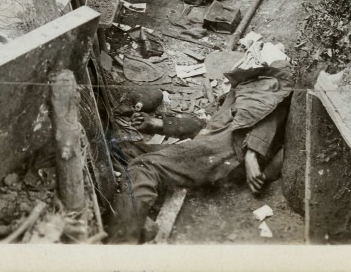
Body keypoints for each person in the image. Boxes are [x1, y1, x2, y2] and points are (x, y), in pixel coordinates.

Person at [108, 55, 292, 244]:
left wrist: (253, 152)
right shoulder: (245, 90)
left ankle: (120, 244)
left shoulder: (272, 83)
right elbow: (207, 123)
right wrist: (158, 125)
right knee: (123, 149)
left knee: (144, 167)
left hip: (226, 147)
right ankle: (138, 215)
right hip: (216, 144)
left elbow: (266, 112)